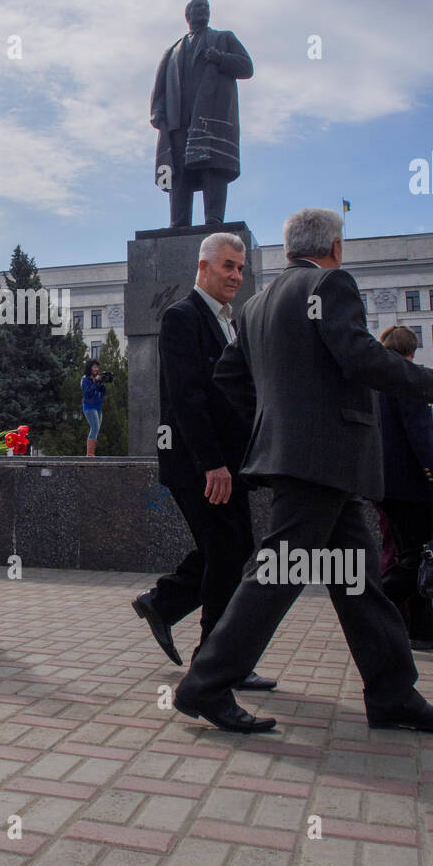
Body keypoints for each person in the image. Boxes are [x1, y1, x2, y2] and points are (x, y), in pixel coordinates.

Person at [173, 208, 433, 735]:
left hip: (305, 460)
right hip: (323, 461)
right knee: (275, 574)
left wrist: (278, 417)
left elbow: (228, 375)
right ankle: (204, 685)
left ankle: (392, 695)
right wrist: (428, 381)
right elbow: (359, 357)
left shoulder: (257, 304)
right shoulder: (332, 284)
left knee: (359, 582)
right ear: (334, 247)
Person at [132, 233, 275, 689]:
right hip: (198, 464)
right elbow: (186, 397)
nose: (236, 275)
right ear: (203, 267)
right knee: (227, 551)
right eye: (228, 266)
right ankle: (214, 662)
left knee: (229, 549)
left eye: (240, 268)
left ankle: (167, 605)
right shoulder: (182, 317)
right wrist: (213, 463)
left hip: (228, 463)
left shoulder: (230, 322)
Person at [375, 325, 433, 651]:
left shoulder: (377, 385)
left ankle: (423, 629)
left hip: (384, 485)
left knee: (415, 556)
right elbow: (420, 438)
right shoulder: (408, 383)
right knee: (419, 558)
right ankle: (375, 602)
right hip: (411, 486)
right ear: (412, 352)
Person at [150, 0, 253, 228]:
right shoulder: (172, 50)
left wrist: (220, 58)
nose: (203, 10)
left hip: (210, 119)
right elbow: (160, 88)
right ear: (187, 15)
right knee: (178, 173)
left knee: (212, 169)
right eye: (198, 7)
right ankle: (179, 222)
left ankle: (214, 219)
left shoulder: (223, 38)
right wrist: (157, 111)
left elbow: (247, 67)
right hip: (178, 122)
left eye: (206, 7)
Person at [80, 360, 106, 457]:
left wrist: (101, 384)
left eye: (97, 367)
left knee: (97, 429)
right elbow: (87, 393)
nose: (96, 369)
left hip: (98, 406)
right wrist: (95, 382)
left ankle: (91, 453)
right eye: (94, 367)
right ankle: (90, 454)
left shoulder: (96, 378)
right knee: (94, 427)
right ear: (89, 368)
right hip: (89, 406)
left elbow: (103, 393)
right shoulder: (85, 379)